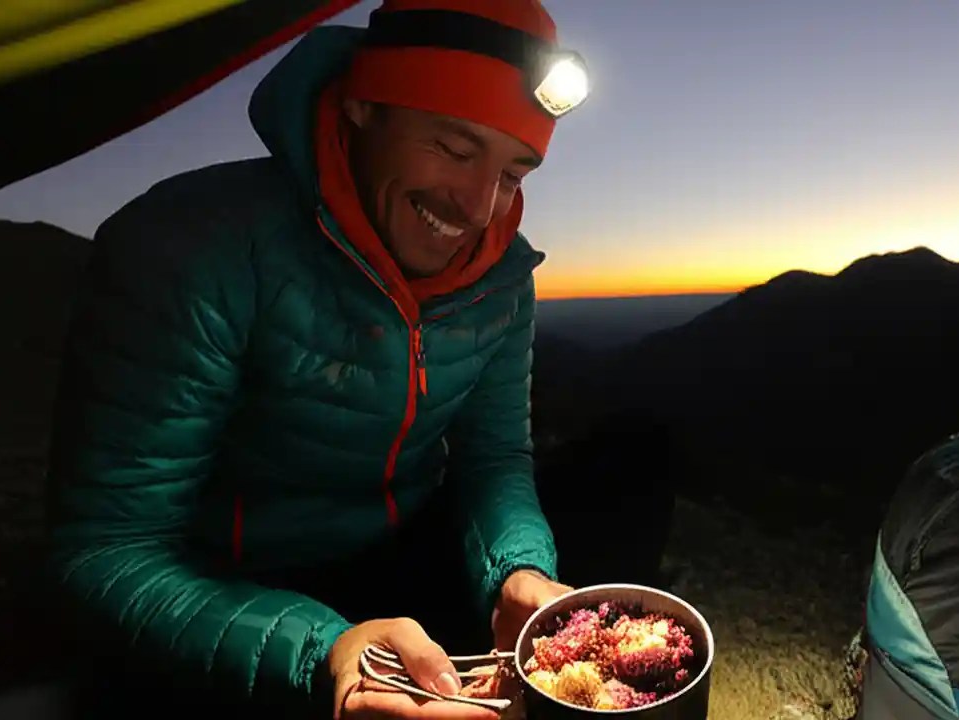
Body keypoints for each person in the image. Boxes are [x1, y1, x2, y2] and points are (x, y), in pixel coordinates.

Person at [36, 2, 664, 718]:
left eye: (515, 172)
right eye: (456, 150)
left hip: (399, 547)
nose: (480, 207)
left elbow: (494, 459)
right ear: (366, 105)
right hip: (228, 585)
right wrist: (323, 651)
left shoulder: (501, 276)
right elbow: (104, 549)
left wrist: (516, 572)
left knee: (635, 459)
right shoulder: (193, 246)